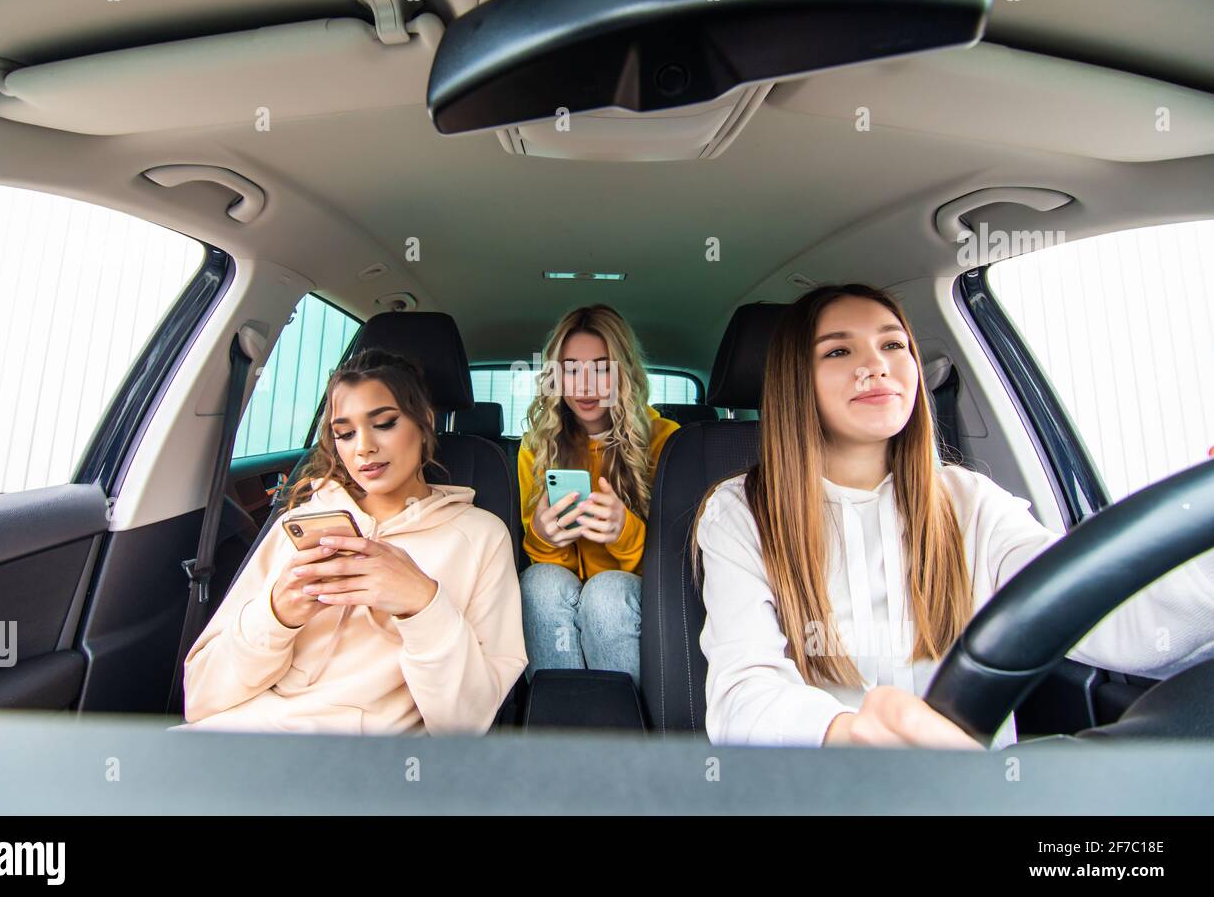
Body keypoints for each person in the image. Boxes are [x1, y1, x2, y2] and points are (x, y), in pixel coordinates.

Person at [694, 283, 1214, 749]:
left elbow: (1096, 607)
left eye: (893, 344)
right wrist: (848, 734)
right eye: (838, 350)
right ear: (794, 381)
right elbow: (742, 689)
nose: (875, 364)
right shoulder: (741, 511)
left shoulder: (970, 501)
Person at [180, 348, 526, 735]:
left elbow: (464, 725)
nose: (363, 447)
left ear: (424, 421)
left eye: (384, 423)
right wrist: (277, 614)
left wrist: (423, 605)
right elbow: (199, 699)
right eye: (344, 433)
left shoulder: (481, 536)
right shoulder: (297, 523)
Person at [517, 305, 679, 683]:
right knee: (539, 582)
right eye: (571, 369)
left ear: (624, 372)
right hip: (563, 600)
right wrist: (543, 537)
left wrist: (626, 532)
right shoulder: (536, 447)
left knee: (605, 593)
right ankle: (558, 725)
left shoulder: (666, 441)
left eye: (602, 368)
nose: (585, 386)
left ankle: (625, 732)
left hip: (630, 602)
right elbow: (552, 576)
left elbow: (677, 568)